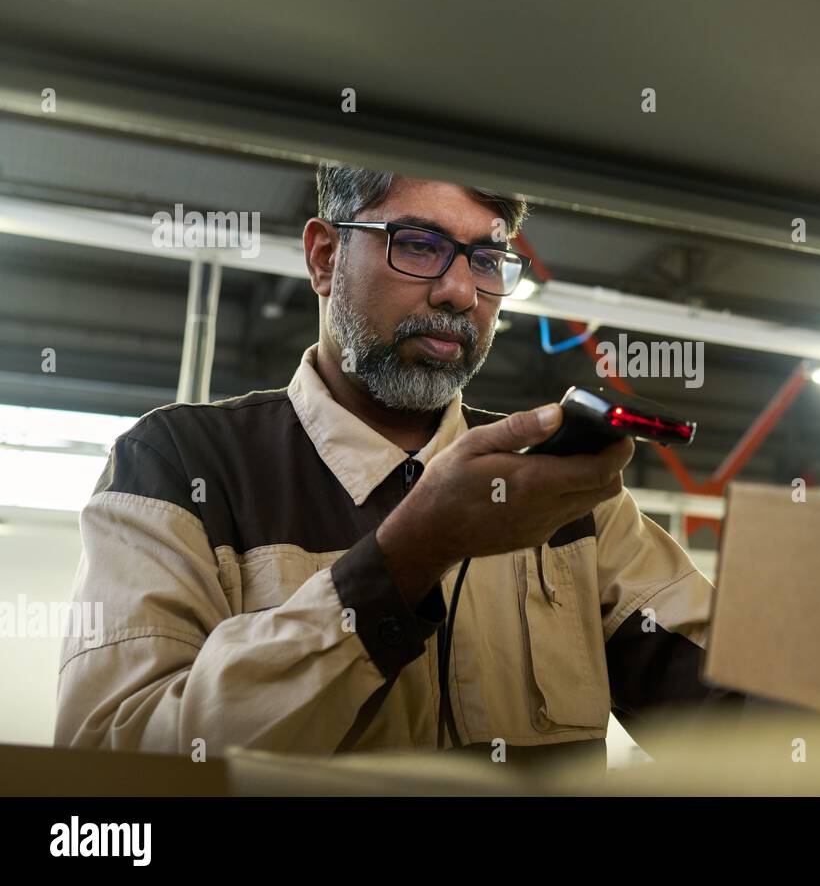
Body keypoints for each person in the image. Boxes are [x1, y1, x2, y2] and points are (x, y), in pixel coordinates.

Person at [55, 165, 738, 773]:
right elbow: (115, 763)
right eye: (418, 245)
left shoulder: (559, 489)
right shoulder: (178, 465)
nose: (459, 292)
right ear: (324, 257)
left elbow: (729, 704)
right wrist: (407, 558)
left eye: (488, 257)